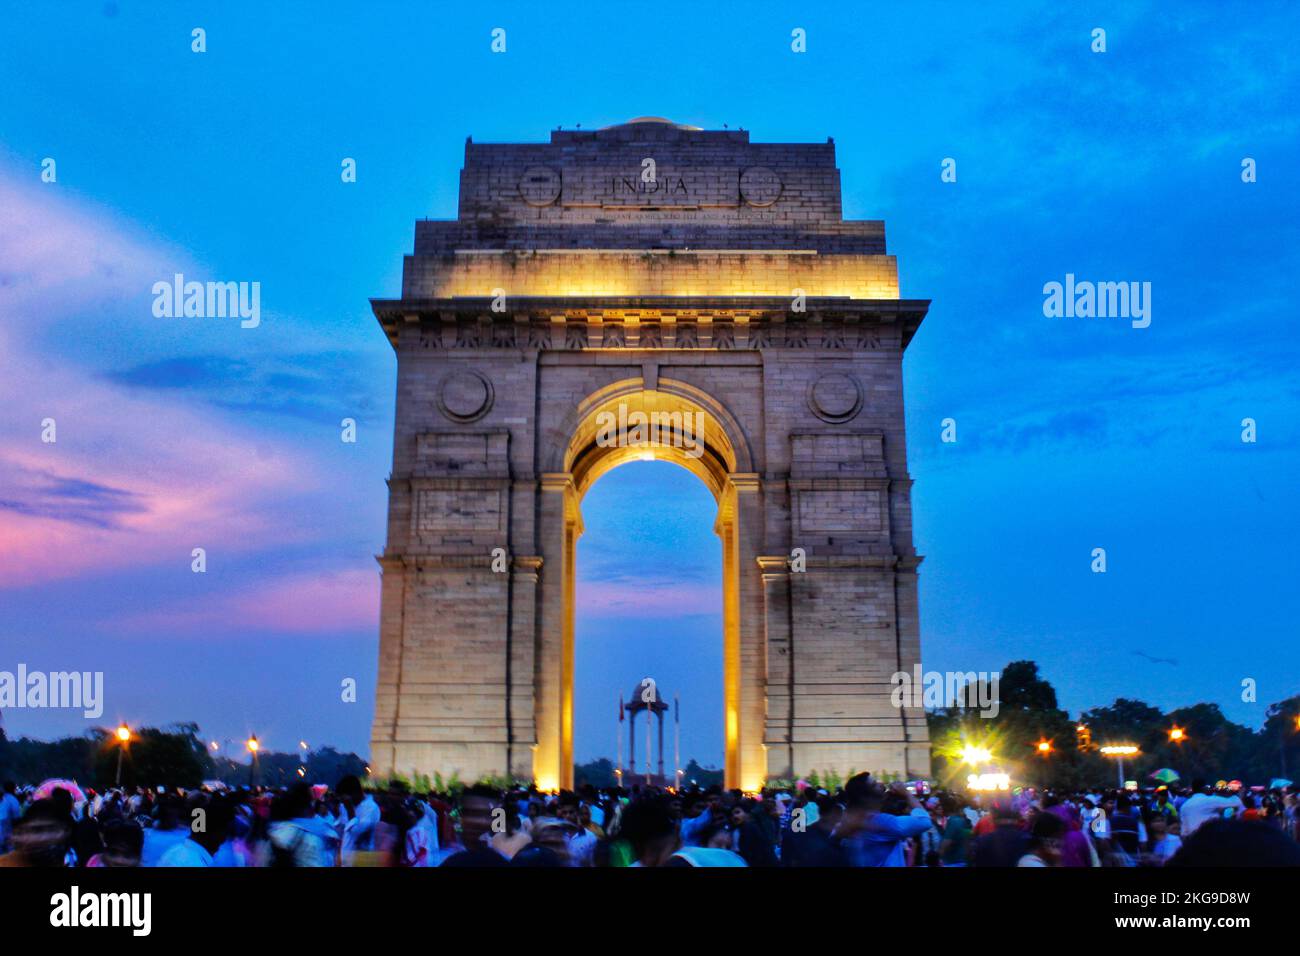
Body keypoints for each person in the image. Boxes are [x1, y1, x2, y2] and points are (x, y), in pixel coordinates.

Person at [838, 776, 934, 867]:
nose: (881, 784)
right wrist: (906, 794)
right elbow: (924, 821)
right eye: (874, 784)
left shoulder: (851, 821)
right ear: (866, 797)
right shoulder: (881, 822)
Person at [1179, 780, 1244, 838]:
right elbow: (1236, 803)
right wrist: (1234, 793)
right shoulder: (1210, 800)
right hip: (1209, 839)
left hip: (1193, 842)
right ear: (1204, 788)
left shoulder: (1184, 806)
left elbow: (1184, 833)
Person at [0, 782, 22, 855]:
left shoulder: (2, 798)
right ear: (13, 789)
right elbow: (16, 817)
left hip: (2, 828)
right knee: (11, 852)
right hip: (8, 829)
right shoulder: (13, 800)